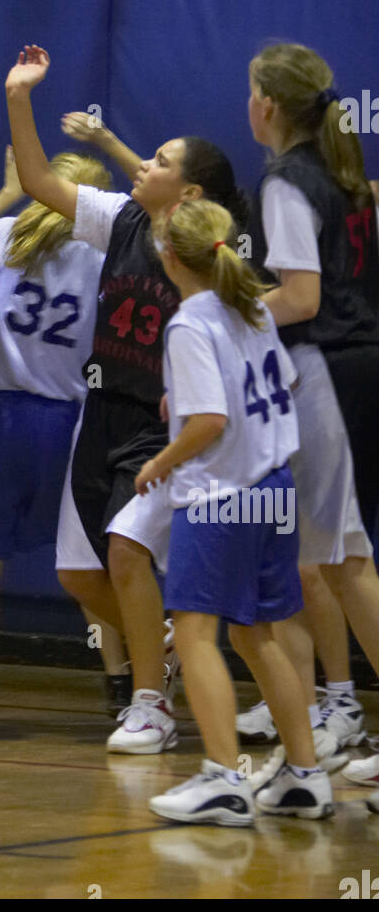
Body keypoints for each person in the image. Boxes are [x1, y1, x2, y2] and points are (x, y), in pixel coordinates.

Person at [6, 45, 248, 754]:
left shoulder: (211, 252)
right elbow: (35, 179)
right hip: (100, 410)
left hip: (160, 422)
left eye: (162, 161)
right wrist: (18, 97)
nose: (144, 164)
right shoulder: (121, 219)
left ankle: (151, 702)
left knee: (123, 551)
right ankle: (166, 646)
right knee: (78, 573)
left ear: (191, 194)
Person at [140, 199, 333, 824]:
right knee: (259, 633)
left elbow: (210, 422)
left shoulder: (191, 322)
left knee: (196, 633)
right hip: (275, 488)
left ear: (170, 258)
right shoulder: (251, 308)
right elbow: (286, 387)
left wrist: (160, 461)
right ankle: (306, 777)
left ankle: (224, 779)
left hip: (222, 496)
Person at [242, 43, 379, 799]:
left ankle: (303, 755)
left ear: (265, 104)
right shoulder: (343, 173)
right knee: (340, 559)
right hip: (357, 364)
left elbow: (298, 298)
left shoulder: (286, 182)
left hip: (327, 370)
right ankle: (310, 743)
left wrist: (222, 312)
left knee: (336, 563)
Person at [0, 149, 112, 733]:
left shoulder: (3, 237)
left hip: (1, 419)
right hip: (68, 421)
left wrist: (9, 190)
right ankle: (121, 684)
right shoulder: (102, 255)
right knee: (87, 568)